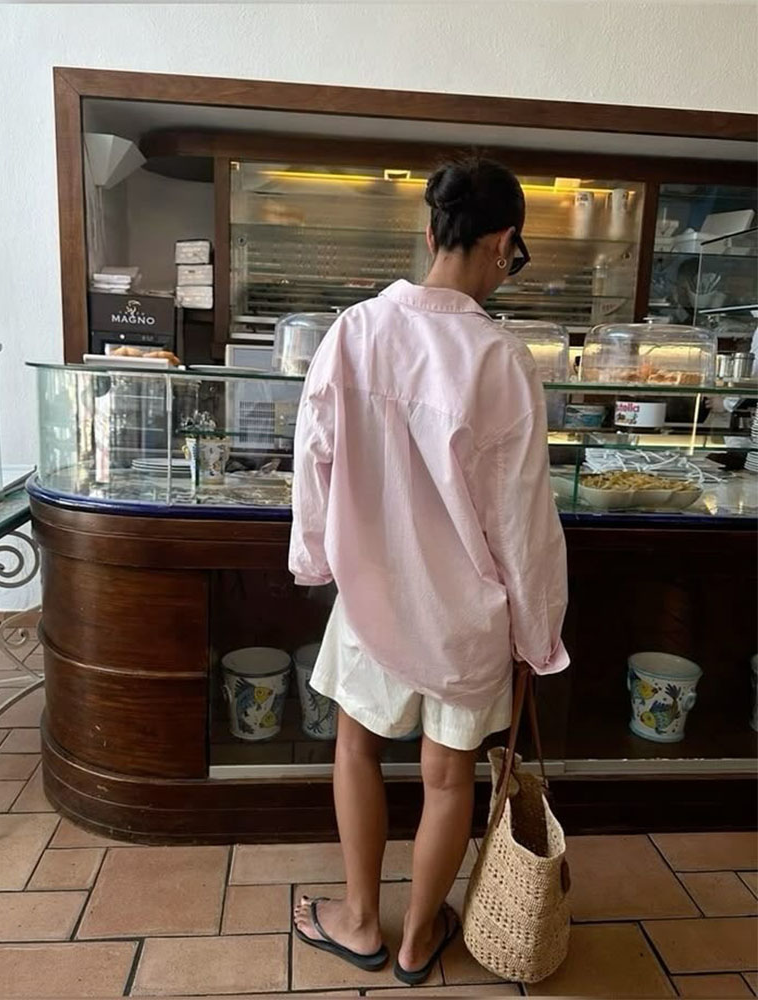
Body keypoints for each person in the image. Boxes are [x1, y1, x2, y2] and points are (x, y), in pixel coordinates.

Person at [289, 156, 569, 986]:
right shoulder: (502, 360)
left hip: (373, 596)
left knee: (356, 748)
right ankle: (417, 941)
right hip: (466, 616)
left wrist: (313, 557)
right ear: (504, 243)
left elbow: (314, 459)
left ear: (429, 233)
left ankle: (359, 923)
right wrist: (537, 635)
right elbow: (523, 523)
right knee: (447, 779)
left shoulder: (354, 332)